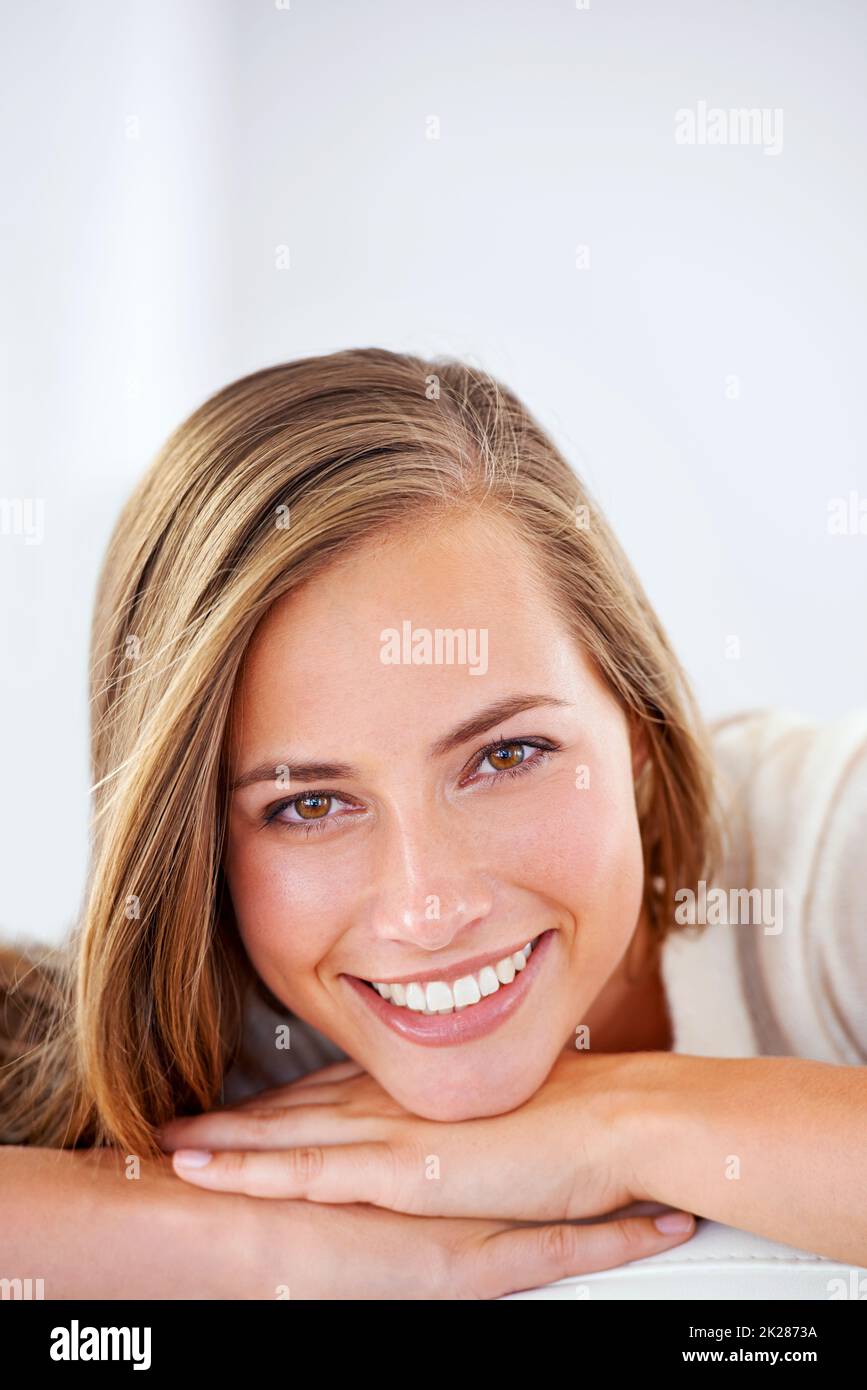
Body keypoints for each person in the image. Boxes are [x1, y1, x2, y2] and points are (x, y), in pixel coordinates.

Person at [2, 348, 865, 1300]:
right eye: (308, 806)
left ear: (638, 727)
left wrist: (625, 1120)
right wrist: (257, 1248)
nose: (428, 908)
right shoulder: (197, 1035)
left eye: (505, 756)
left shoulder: (828, 846)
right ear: (195, 846)